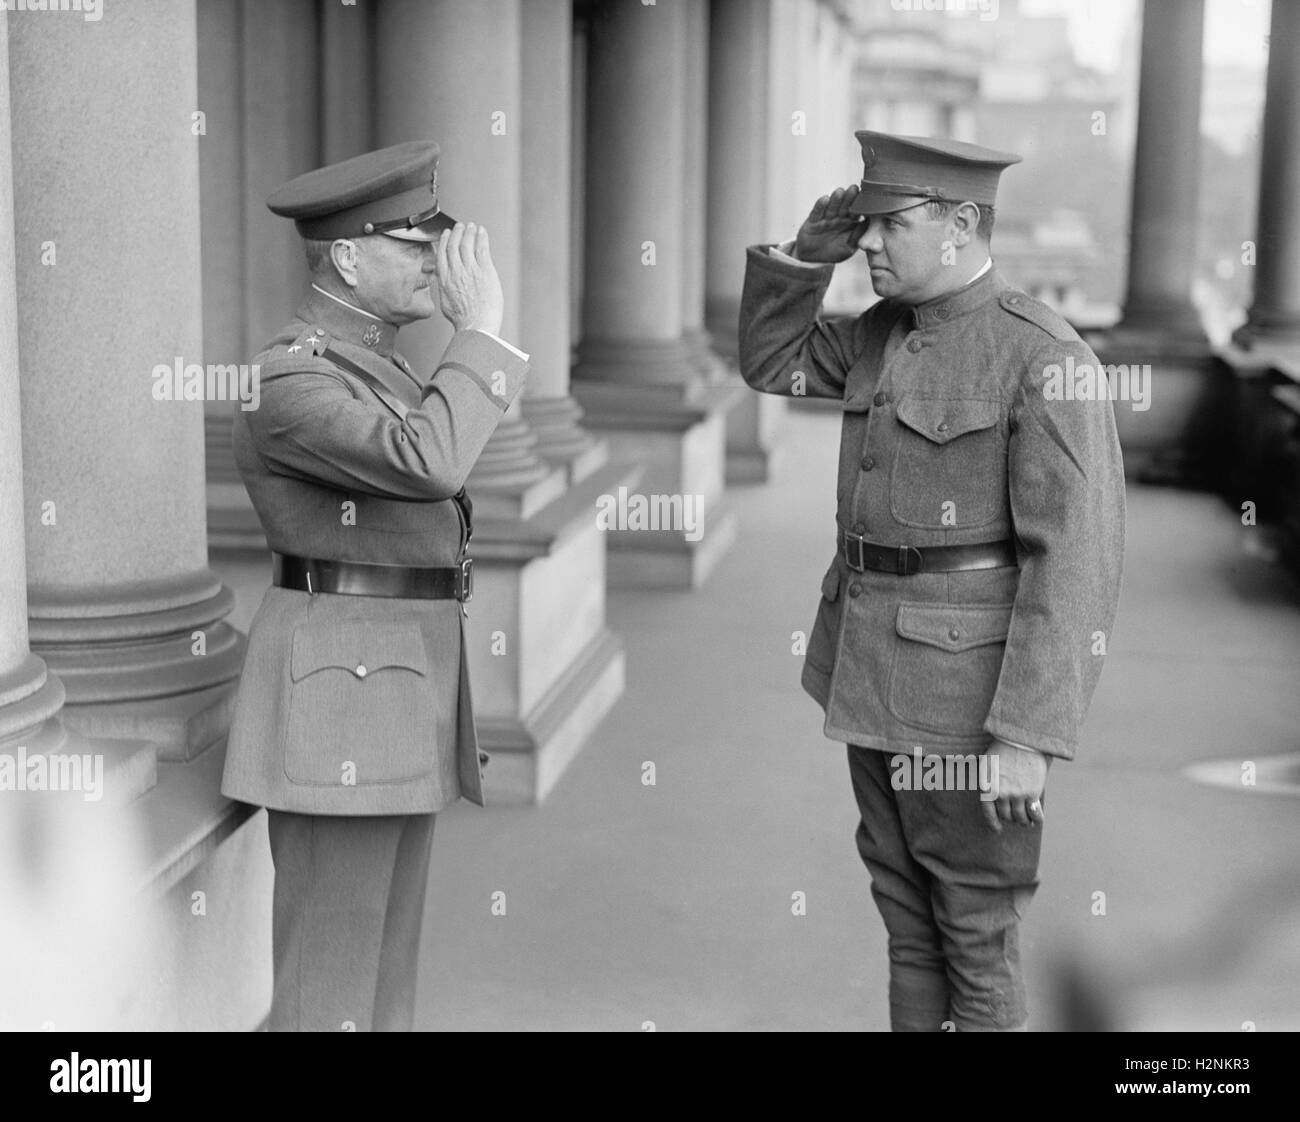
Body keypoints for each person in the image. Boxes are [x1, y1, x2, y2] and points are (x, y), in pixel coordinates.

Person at [737, 131, 1125, 1031]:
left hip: (965, 699)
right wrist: (803, 258)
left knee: (975, 931)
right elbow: (769, 362)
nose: (869, 243)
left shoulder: (1043, 355)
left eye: (890, 225)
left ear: (959, 224)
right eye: (865, 224)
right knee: (906, 920)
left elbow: (1076, 560)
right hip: (868, 673)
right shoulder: (881, 333)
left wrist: (1029, 734)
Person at [220, 140, 529, 1031]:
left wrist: (475, 340)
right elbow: (430, 460)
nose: (440, 261)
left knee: (383, 991)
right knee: (327, 996)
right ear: (348, 259)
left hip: (395, 690)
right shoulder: (293, 376)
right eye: (414, 243)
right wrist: (483, 331)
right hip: (339, 706)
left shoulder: (380, 364)